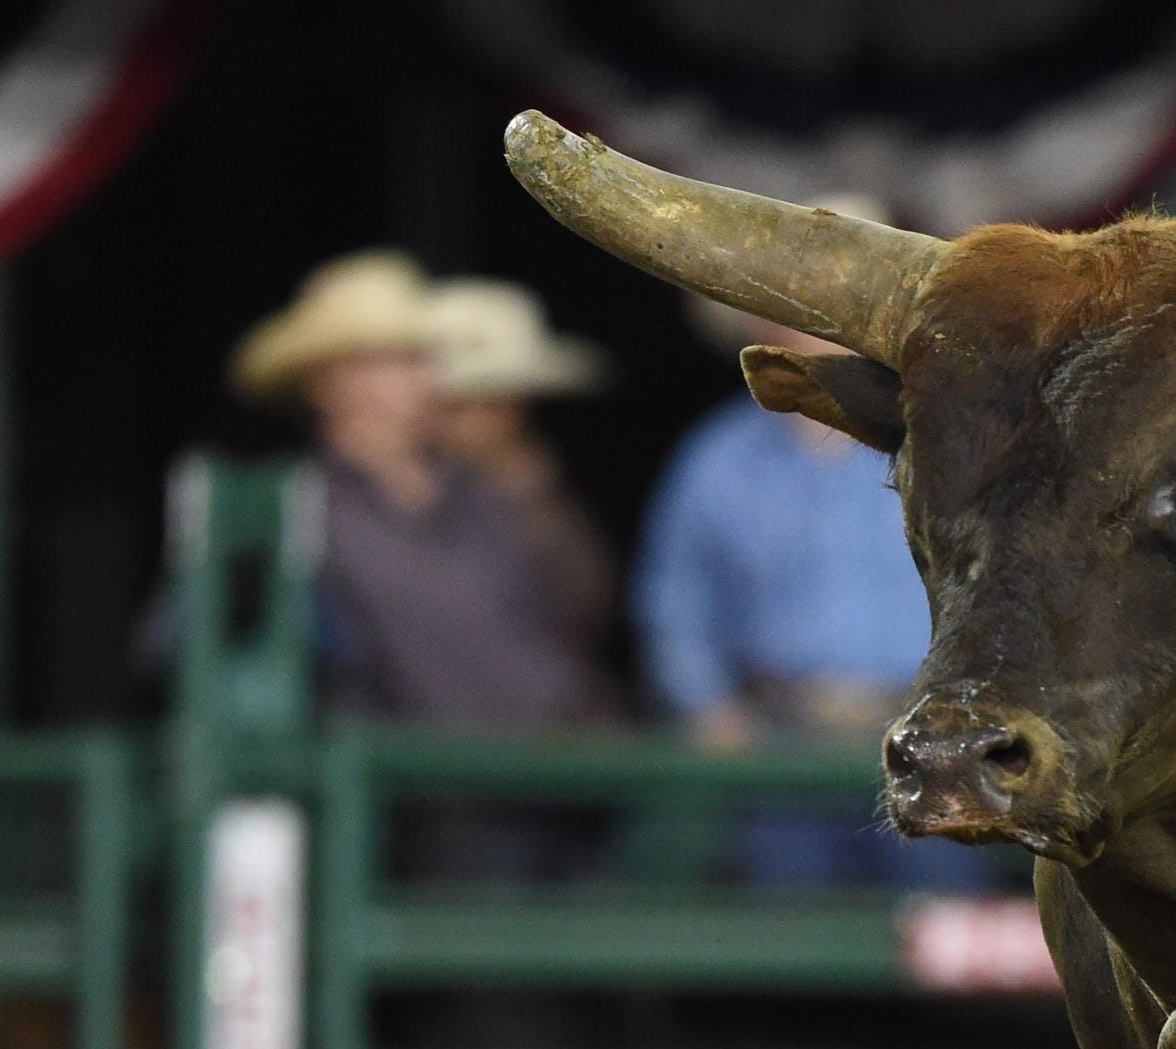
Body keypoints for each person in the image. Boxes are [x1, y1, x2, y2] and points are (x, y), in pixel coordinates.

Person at [637, 199, 988, 890]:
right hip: (781, 744)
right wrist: (709, 711)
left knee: (939, 942)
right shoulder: (718, 459)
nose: (819, 322)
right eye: (797, 301)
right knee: (785, 928)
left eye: (839, 301)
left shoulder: (947, 446)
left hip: (926, 736)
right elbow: (676, 602)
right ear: (760, 320)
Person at [230, 250, 616, 734]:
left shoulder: (481, 498)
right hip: (400, 793)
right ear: (329, 382)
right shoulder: (293, 511)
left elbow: (569, 621)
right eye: (401, 360)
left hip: (550, 777)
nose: (428, 378)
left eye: (428, 358)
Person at [425, 277, 618, 659]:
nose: (500, 420)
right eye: (462, 404)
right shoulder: (406, 497)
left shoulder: (536, 485)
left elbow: (590, 605)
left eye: (506, 403)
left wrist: (534, 503)